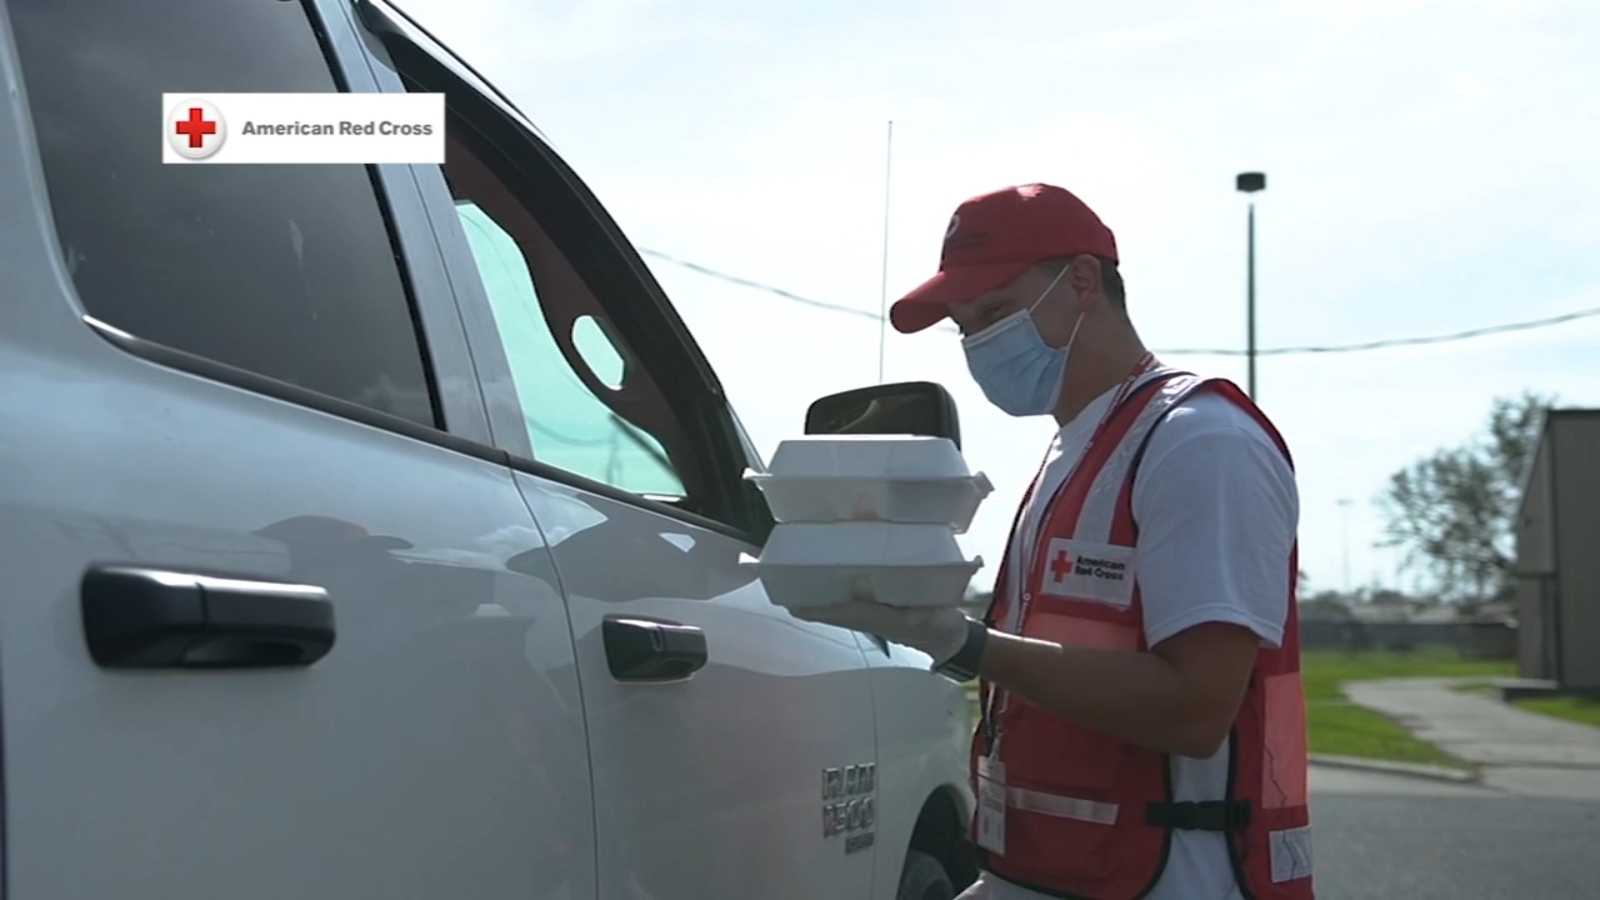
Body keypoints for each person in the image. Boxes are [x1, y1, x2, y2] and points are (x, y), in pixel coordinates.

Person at [794, 183, 1313, 900]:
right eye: (965, 325)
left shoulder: (1199, 441)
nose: (979, 343)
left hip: (1174, 877)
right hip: (1054, 875)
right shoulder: (1077, 452)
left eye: (997, 311)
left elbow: (1196, 708)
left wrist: (962, 642)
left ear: (1080, 282)